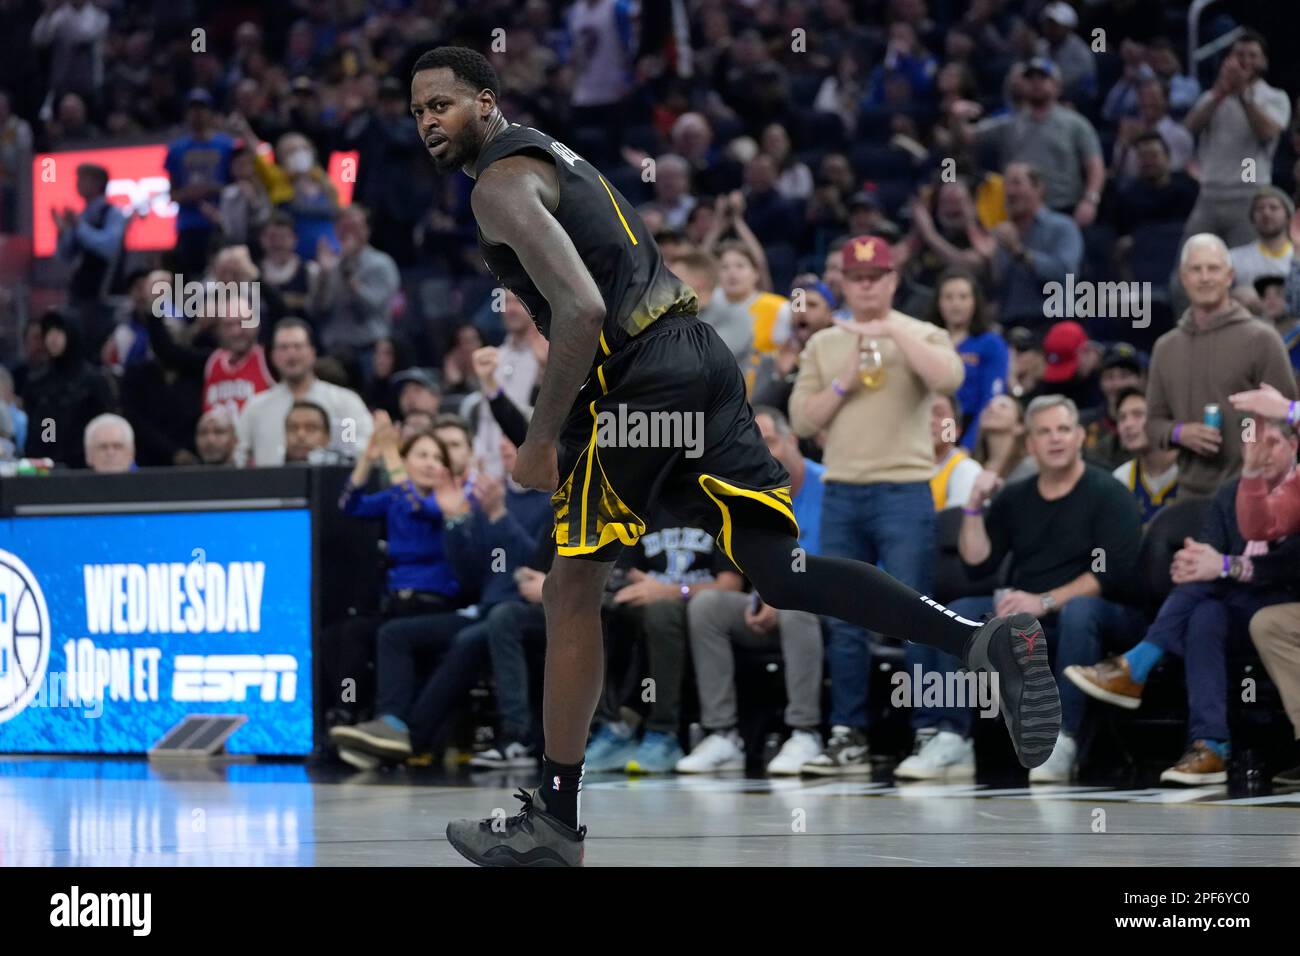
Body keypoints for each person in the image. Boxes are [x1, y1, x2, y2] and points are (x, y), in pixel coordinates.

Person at [413, 47, 1058, 868]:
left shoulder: (499, 184)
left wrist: (540, 441)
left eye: (442, 103)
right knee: (780, 571)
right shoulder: (548, 152)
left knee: (571, 587)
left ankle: (555, 820)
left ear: (487, 104)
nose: (429, 120)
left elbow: (578, 309)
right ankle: (979, 641)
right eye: (417, 110)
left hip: (640, 379)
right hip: (700, 359)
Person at [924, 396, 1146, 783]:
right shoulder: (1017, 496)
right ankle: (953, 737)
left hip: (1106, 614)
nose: (1055, 439)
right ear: (1029, 445)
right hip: (1034, 613)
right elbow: (978, 564)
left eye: (1063, 430)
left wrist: (1044, 601)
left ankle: (1062, 739)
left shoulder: (1107, 491)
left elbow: (1113, 574)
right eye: (1044, 432)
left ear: (1080, 436)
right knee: (959, 610)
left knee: (1079, 612)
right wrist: (974, 507)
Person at [1067, 417, 1300, 785]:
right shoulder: (1230, 492)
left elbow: (1290, 569)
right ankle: (1209, 745)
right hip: (1233, 612)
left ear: (1294, 446)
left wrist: (1222, 566)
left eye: (1272, 442)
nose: (1261, 452)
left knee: (1206, 599)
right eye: (1253, 443)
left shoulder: (1297, 491)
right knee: (1204, 613)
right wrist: (1192, 564)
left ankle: (1144, 672)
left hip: (1281, 608)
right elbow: (1207, 554)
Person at [676, 406, 827, 776]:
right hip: (770, 599)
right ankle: (724, 735)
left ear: (792, 441)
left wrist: (780, 595)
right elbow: (754, 559)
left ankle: (805, 732)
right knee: (708, 606)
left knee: (795, 606)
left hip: (826, 602)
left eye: (771, 442)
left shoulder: (829, 486)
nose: (762, 453)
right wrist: (763, 596)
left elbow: (837, 565)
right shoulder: (750, 492)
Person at [1144, 234, 1297, 498]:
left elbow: (1285, 415)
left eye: (1213, 268)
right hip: (1189, 494)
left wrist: (1247, 438)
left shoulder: (1261, 339)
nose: (1205, 277)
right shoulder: (1165, 347)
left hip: (1253, 492)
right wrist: (1181, 433)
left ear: (1229, 276)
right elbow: (1153, 423)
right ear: (1183, 277)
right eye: (1196, 269)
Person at [1182, 31, 1291, 247]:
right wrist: (1220, 94)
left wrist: (1243, 94)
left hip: (1250, 194)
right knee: (1187, 269)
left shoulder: (1275, 97)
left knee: (1245, 270)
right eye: (1240, 54)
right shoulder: (1212, 96)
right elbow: (1191, 127)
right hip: (1209, 194)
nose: (1246, 60)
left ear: (1264, 62)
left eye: (1253, 55)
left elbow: (1267, 132)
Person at [235, 318, 373, 466]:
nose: (291, 354)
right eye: (283, 347)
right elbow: (238, 457)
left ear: (312, 352)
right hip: (269, 486)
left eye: (298, 346)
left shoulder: (344, 402)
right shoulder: (256, 407)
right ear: (273, 355)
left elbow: (358, 449)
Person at [925, 268, 1007, 446]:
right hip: (932, 422)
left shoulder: (990, 343)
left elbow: (990, 398)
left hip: (971, 423)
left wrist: (967, 446)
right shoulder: (926, 340)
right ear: (938, 302)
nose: (956, 304)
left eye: (963, 297)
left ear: (975, 301)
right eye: (948, 297)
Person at [22, 310, 112, 469]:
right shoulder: (38, 383)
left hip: (86, 467)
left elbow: (105, 425)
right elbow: (43, 430)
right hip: (47, 468)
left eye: (59, 331)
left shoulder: (93, 381)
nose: (53, 338)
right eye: (48, 331)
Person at [52, 162, 126, 350]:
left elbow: (108, 248)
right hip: (80, 294)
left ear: (97, 183)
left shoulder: (112, 213)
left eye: (82, 179)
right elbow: (65, 255)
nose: (77, 183)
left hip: (103, 295)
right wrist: (62, 232)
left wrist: (79, 227)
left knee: (97, 346)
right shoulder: (83, 216)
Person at [164, 90, 234, 276]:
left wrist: (212, 189)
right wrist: (191, 194)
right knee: (190, 280)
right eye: (192, 109)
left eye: (202, 109)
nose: (197, 114)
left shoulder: (227, 145)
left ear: (210, 113)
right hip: (189, 223)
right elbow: (172, 193)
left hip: (221, 221)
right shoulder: (176, 149)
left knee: (224, 277)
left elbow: (236, 184)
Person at [1228, 187, 1294, 311]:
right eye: (1259, 209)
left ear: (1288, 216)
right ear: (1252, 218)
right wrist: (1234, 296)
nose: (1266, 213)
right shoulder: (1233, 258)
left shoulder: (1297, 258)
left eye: (1273, 207)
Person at [931, 393, 983, 511]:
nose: (930, 421)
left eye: (939, 414)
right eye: (923, 414)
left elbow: (955, 524)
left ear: (956, 430)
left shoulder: (966, 469)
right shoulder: (901, 466)